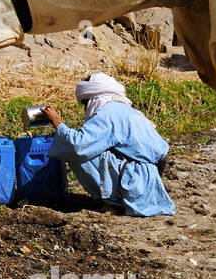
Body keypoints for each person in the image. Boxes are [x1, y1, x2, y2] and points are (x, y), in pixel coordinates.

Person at [41, 73, 175, 217]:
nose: (86, 109)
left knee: (76, 152)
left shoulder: (107, 114)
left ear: (94, 99)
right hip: (148, 174)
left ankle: (114, 202)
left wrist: (57, 122)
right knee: (90, 146)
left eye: (86, 104)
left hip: (139, 179)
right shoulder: (124, 109)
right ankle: (116, 196)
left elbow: (77, 145)